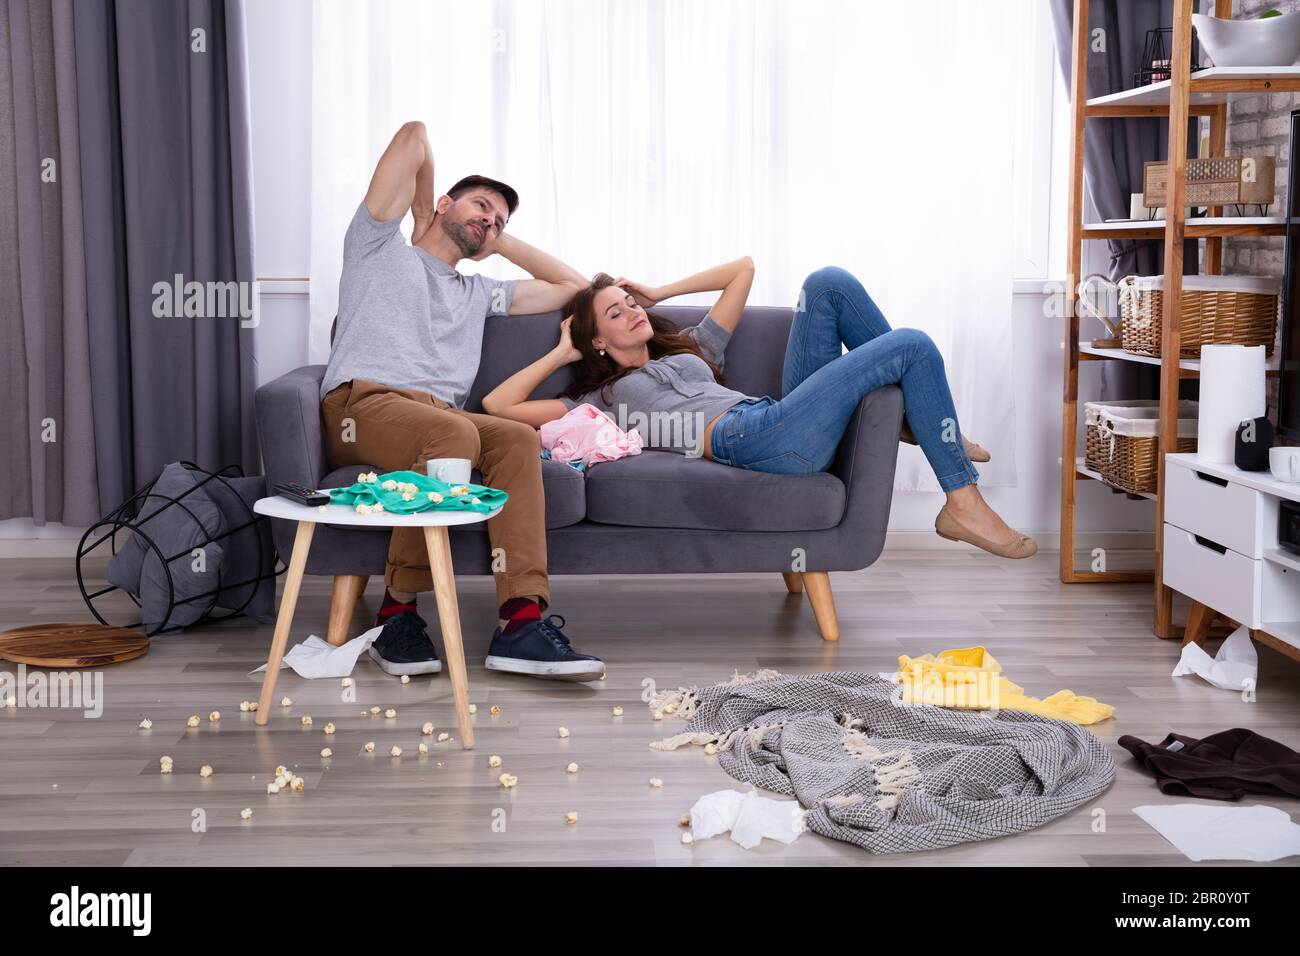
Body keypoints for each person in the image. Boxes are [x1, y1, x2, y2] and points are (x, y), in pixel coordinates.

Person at [482, 262, 1035, 559]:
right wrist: (560, 351)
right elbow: (497, 405)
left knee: (828, 284)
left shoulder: (692, 347)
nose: (630, 311)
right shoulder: (598, 402)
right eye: (614, 312)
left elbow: (741, 269)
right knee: (911, 344)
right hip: (753, 443)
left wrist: (659, 291)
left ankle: (928, 425)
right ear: (594, 339)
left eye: (630, 304)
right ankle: (961, 498)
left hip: (780, 416)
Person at [319, 120, 604, 681]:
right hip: (363, 404)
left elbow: (575, 287)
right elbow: (413, 137)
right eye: (480, 206)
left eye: (498, 220)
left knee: (517, 437)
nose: (489, 219)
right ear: (446, 200)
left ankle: (521, 623)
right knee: (454, 435)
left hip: (441, 418)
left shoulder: (480, 293)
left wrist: (500, 240)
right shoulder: (377, 248)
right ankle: (397, 612)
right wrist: (426, 212)